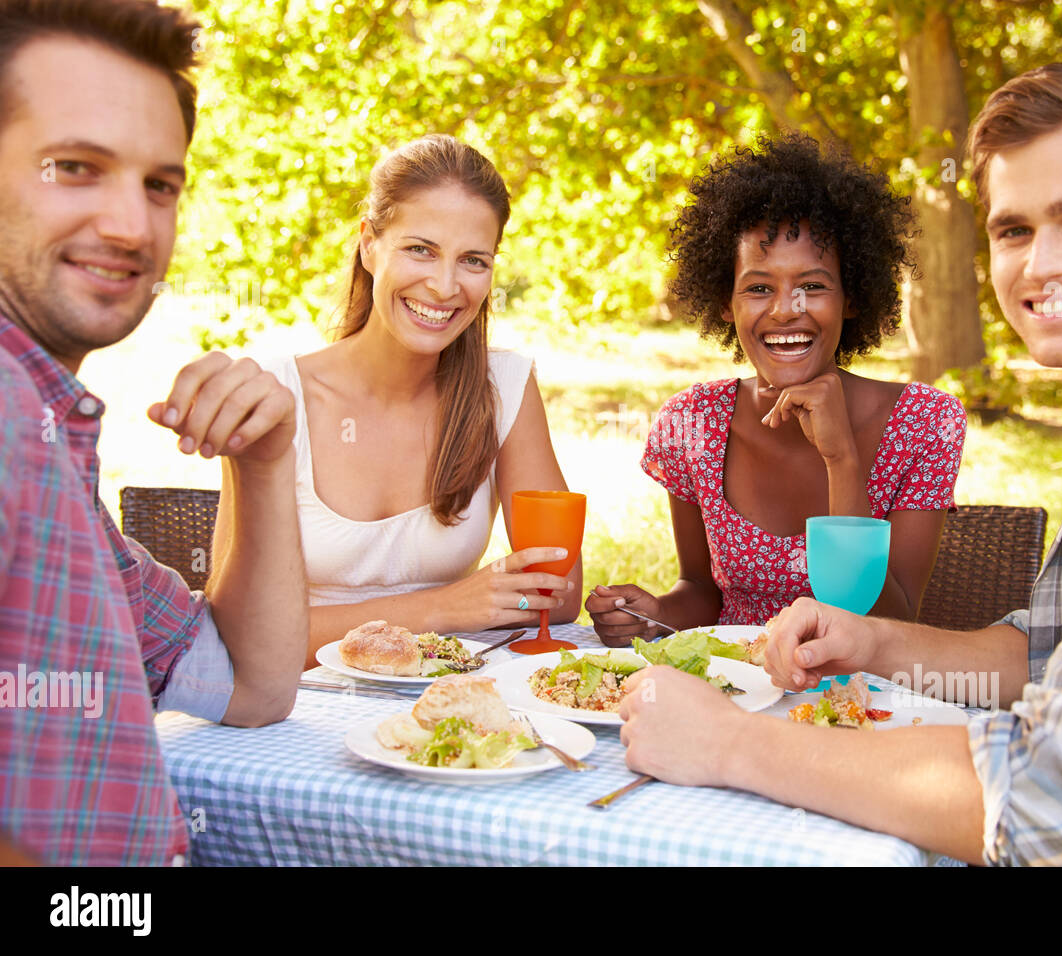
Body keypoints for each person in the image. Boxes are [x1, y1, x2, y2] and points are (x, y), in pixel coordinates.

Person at [617, 61, 1062, 866]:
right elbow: (1044, 653)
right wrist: (872, 643)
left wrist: (730, 746)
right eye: (1014, 230)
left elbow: (1053, 809)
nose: (1042, 265)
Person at [0, 0, 309, 866]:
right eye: (73, 167)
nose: (133, 227)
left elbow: (251, 685)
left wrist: (264, 462)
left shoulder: (49, 433)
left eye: (159, 184)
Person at [587, 134, 966, 644]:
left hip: (854, 704)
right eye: (759, 288)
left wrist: (841, 460)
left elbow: (896, 625)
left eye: (813, 285)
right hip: (732, 695)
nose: (787, 309)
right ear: (727, 303)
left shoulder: (924, 422)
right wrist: (654, 613)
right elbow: (702, 589)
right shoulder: (694, 422)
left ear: (851, 297)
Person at [241, 135, 581, 668]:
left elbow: (557, 594)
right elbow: (245, 631)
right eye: (420, 249)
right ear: (369, 244)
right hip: (295, 705)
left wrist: (493, 600)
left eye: (473, 260)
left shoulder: (505, 385)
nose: (445, 286)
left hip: (444, 693)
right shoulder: (279, 396)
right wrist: (444, 607)